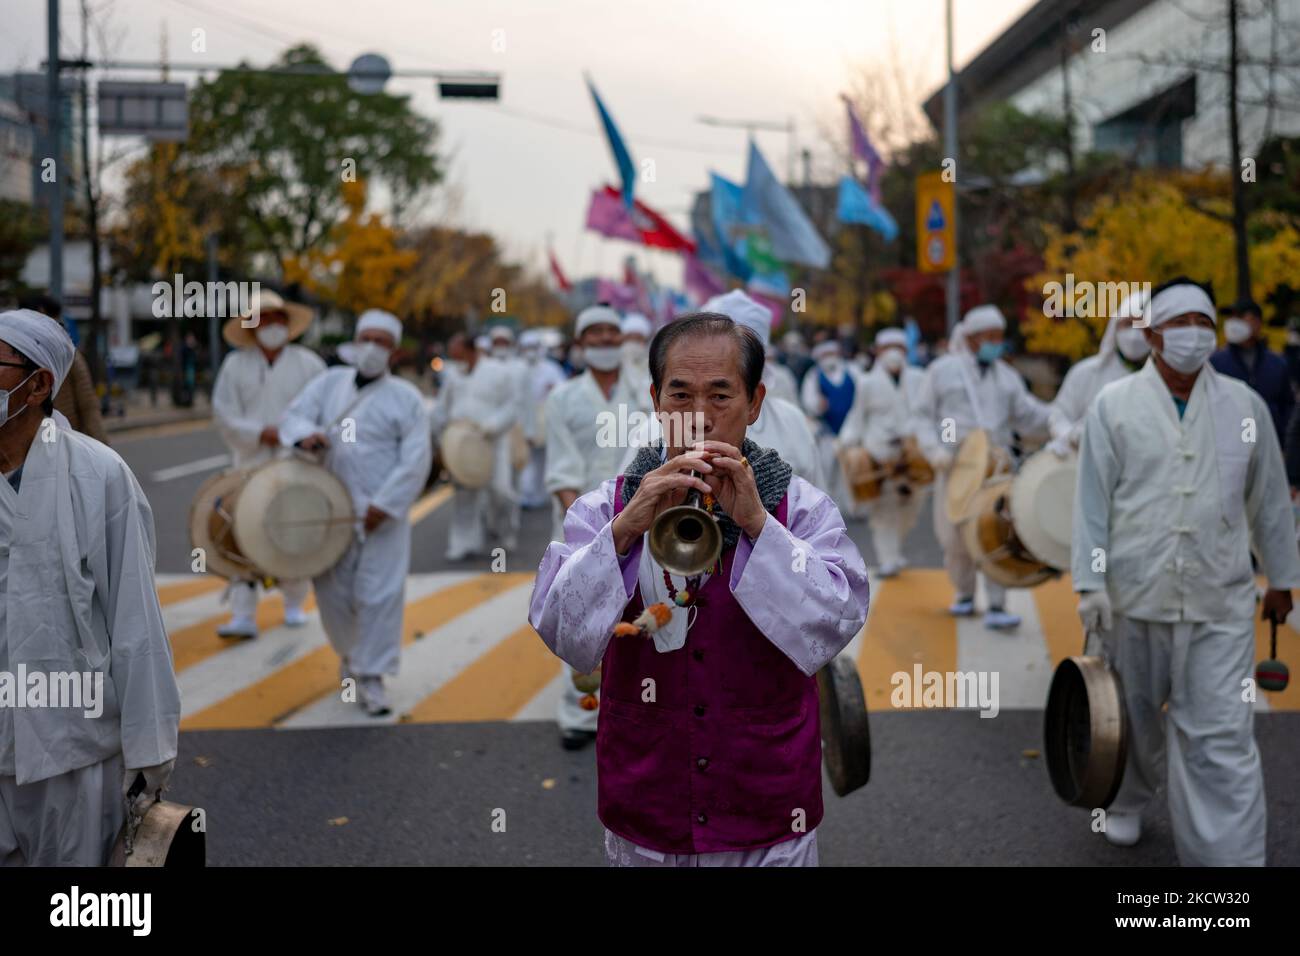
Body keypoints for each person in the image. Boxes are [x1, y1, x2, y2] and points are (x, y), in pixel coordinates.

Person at [529, 312, 870, 866]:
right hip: (648, 799)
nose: (699, 419)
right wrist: (625, 530)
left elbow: (832, 627)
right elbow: (563, 633)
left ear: (755, 403)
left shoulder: (801, 506)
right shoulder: (607, 507)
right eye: (680, 396)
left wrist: (759, 524)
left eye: (721, 396)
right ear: (655, 400)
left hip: (768, 802)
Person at [1072, 278, 1299, 864]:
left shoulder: (1245, 406)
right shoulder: (1113, 406)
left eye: (1204, 323)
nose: (1194, 336)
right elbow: (1092, 505)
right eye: (1180, 324)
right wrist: (1090, 583)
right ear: (1150, 335)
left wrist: (1281, 578)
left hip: (1219, 598)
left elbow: (1270, 498)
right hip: (1134, 593)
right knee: (1135, 716)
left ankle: (1229, 857)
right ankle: (1125, 798)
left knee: (1221, 731)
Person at [0, 309, 180, 865]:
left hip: (74, 749)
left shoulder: (99, 476)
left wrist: (149, 752)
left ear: (39, 385)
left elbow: (135, 618)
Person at [279, 309, 431, 716]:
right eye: (366, 338)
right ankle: (351, 657)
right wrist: (304, 436)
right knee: (333, 594)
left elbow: (417, 458)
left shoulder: (407, 399)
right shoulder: (328, 385)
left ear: (394, 351)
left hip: (383, 514)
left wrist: (385, 505)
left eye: (382, 341)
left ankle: (372, 676)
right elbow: (292, 418)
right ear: (354, 340)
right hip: (331, 510)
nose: (371, 348)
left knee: (381, 597)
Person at [543, 305, 644, 749]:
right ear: (580, 343)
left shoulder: (647, 390)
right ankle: (580, 715)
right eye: (595, 332)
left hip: (642, 518)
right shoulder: (562, 398)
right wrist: (588, 527)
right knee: (581, 611)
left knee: (637, 613)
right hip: (581, 522)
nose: (605, 338)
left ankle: (636, 712)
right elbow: (562, 470)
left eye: (612, 331)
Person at [913, 305, 1051, 629]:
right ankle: (964, 593)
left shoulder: (1007, 376)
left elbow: (1029, 415)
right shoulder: (942, 371)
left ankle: (998, 603)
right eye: (990, 336)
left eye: (999, 336)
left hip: (997, 467)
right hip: (955, 465)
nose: (996, 343)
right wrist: (935, 450)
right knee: (954, 534)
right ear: (972, 338)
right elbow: (922, 415)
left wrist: (1059, 421)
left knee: (997, 530)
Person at [211, 289, 325, 638]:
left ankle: (294, 603)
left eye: (278, 320)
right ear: (251, 326)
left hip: (296, 463)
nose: (272, 326)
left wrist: (293, 434)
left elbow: (322, 411)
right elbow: (224, 413)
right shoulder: (235, 365)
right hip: (248, 463)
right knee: (241, 533)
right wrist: (261, 433)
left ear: (288, 325)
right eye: (264, 320)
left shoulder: (310, 365)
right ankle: (243, 614)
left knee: (294, 531)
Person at [838, 328, 928, 577]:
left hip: (912, 454)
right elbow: (857, 417)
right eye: (887, 348)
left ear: (906, 351)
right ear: (878, 351)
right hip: (879, 454)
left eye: (898, 348)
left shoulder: (920, 379)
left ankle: (895, 549)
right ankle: (888, 558)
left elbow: (929, 414)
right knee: (884, 510)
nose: (893, 353)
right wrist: (846, 441)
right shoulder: (867, 383)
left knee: (911, 507)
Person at [432, 331, 521, 559]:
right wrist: (439, 437)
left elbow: (512, 407)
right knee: (464, 497)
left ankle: (505, 529)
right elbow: (443, 407)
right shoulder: (453, 375)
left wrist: (491, 426)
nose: (456, 360)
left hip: (492, 443)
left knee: (501, 491)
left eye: (459, 354)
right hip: (460, 445)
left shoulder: (498, 372)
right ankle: (463, 543)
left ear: (471, 351)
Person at [1047, 290, 1150, 457]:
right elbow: (1059, 415)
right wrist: (1070, 436)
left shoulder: (1167, 380)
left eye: (1142, 325)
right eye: (1128, 324)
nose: (1134, 334)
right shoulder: (1086, 373)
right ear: (1115, 326)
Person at [17, 294, 109, 444]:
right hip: (61, 442)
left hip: (21, 446)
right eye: (56, 319)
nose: (58, 324)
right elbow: (88, 405)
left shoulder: (10, 354)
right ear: (42, 313)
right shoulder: (66, 353)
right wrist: (104, 450)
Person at [1210, 298, 1293, 447]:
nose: (1233, 323)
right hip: (1228, 446)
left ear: (1257, 322)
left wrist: (1284, 439)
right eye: (1231, 318)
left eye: (1240, 317)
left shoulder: (1277, 363)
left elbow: (1287, 406)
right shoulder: (1215, 362)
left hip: (1270, 444)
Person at [801, 339, 861, 515]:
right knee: (826, 469)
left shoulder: (852, 371)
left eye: (831, 354)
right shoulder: (813, 375)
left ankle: (853, 506)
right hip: (826, 430)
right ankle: (829, 509)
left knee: (850, 470)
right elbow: (808, 400)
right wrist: (817, 405)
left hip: (851, 429)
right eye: (825, 355)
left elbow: (862, 395)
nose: (829, 358)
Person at [517, 329, 567, 509]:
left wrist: (552, 389)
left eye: (533, 347)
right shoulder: (517, 368)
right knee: (524, 459)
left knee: (543, 461)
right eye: (526, 347)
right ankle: (524, 494)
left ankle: (538, 494)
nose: (530, 351)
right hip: (521, 422)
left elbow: (562, 390)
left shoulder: (551, 369)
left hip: (545, 423)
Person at [620, 312, 653, 405]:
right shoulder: (614, 365)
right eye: (629, 338)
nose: (633, 343)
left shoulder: (652, 365)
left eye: (638, 339)